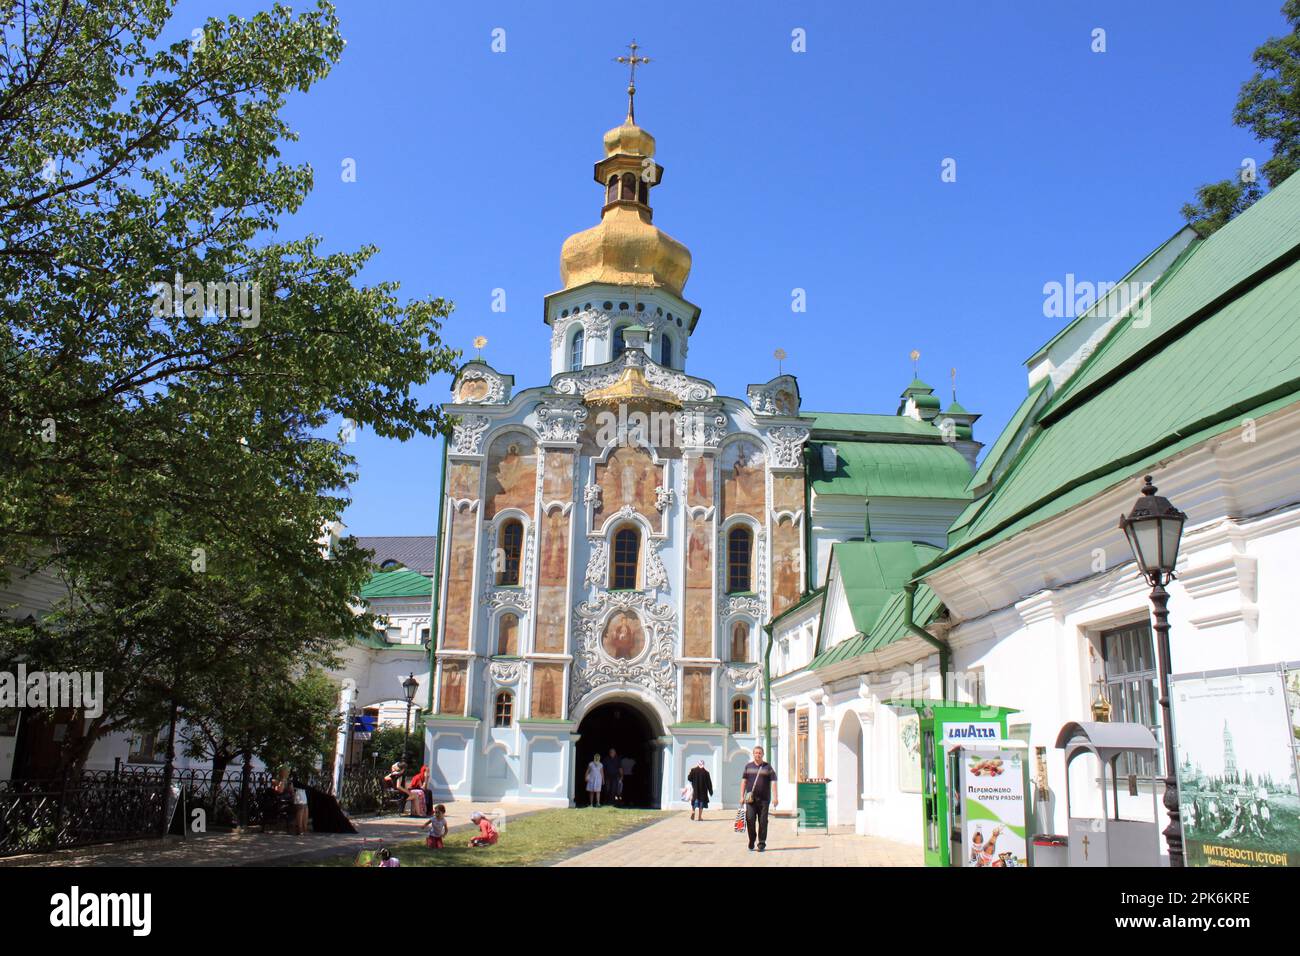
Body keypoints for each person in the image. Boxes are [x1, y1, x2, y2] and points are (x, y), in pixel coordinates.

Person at [739, 744, 778, 852]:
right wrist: (741, 796)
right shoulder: (748, 766)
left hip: (764, 800)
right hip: (750, 799)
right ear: (753, 754)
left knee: (763, 821)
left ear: (763, 754)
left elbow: (774, 782)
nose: (758, 755)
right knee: (750, 819)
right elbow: (744, 781)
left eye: (759, 753)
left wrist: (775, 797)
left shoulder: (768, 767)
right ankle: (752, 839)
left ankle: (761, 843)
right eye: (756, 753)